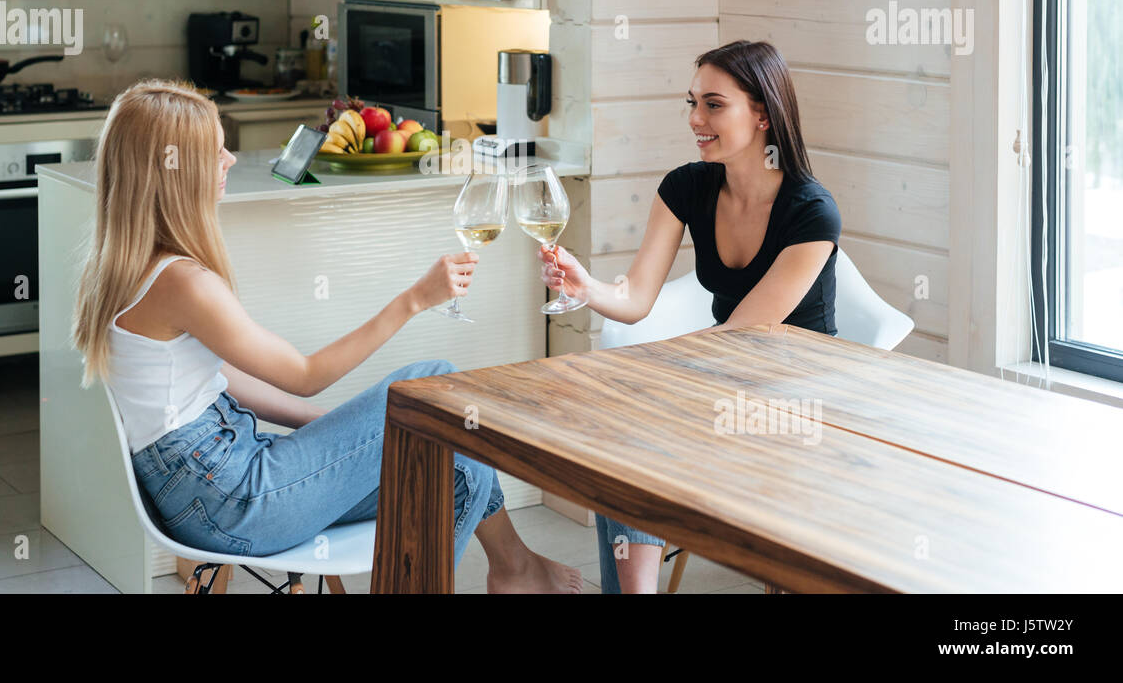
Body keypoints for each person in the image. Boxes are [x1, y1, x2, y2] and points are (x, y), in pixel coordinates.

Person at [73, 79, 581, 593]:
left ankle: (515, 570)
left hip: (205, 492)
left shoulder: (124, 268)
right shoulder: (183, 282)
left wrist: (348, 435)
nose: (230, 160)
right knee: (437, 384)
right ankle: (516, 571)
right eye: (215, 151)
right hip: (233, 499)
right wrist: (414, 299)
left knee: (452, 457)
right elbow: (305, 377)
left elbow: (222, 380)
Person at [536, 40, 842, 594]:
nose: (696, 119)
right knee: (620, 437)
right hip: (726, 376)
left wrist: (650, 381)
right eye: (692, 102)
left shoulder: (811, 212)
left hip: (801, 397)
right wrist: (587, 287)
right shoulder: (687, 186)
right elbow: (635, 298)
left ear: (763, 114)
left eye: (714, 105)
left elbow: (743, 336)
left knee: (635, 423)